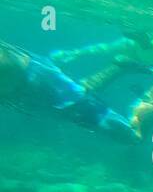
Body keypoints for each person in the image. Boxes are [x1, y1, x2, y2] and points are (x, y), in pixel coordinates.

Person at [0, 40, 137, 142]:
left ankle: (125, 70)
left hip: (31, 78)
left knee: (130, 135)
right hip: (21, 84)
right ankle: (118, 67)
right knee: (72, 106)